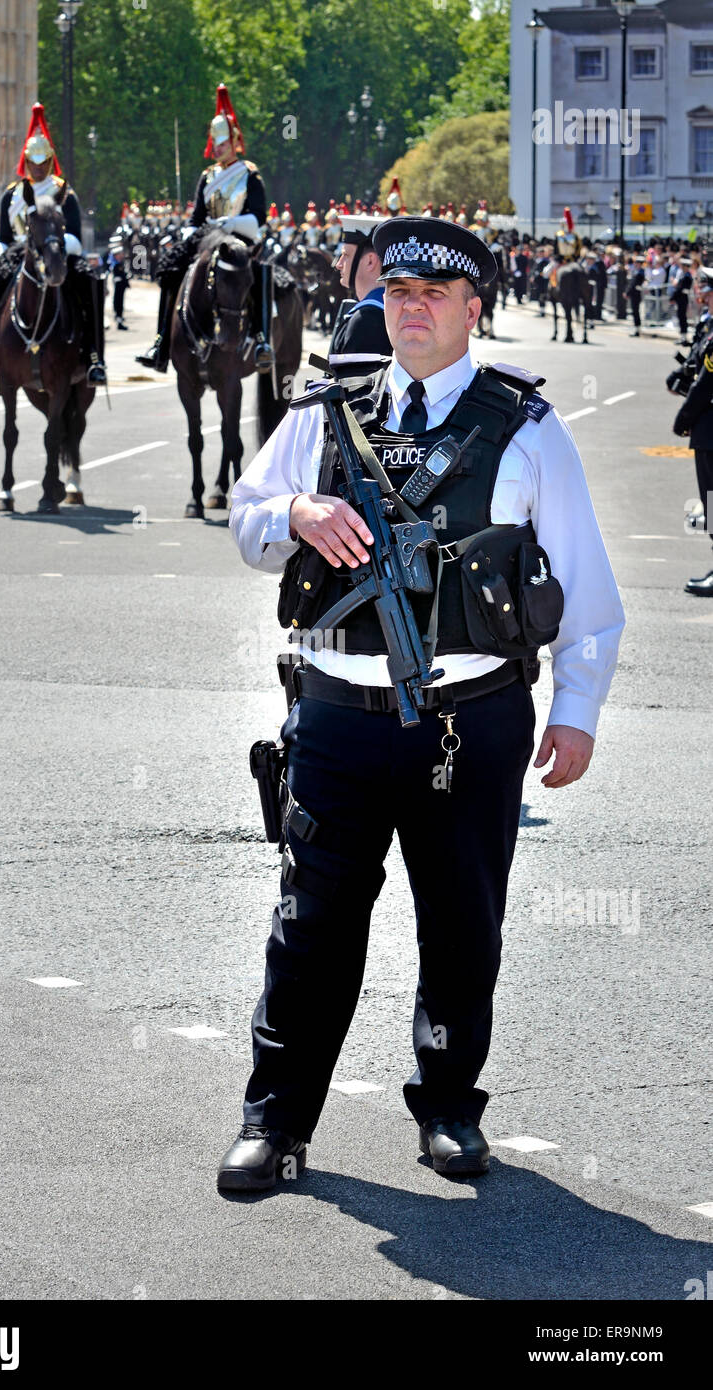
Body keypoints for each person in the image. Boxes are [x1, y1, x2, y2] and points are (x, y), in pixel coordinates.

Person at [222, 216, 626, 1192]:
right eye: (397, 292)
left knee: (459, 924)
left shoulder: (525, 430)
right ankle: (273, 1121)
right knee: (308, 925)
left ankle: (447, 1107)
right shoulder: (325, 410)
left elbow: (585, 589)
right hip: (333, 715)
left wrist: (574, 711)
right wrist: (295, 514)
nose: (412, 309)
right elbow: (245, 518)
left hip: (469, 721)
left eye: (434, 295)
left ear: (471, 309)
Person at [0, 102, 106, 395]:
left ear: (50, 161)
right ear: (26, 162)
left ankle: (95, 358)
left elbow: (75, 234)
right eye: (33, 163)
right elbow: (5, 235)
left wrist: (57, 246)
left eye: (43, 163)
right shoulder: (11, 195)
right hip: (18, 253)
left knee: (92, 284)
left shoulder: (63, 192)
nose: (38, 168)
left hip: (57, 251)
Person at [136, 83, 273, 374]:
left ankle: (261, 338)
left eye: (223, 143)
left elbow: (259, 217)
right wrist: (189, 234)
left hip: (238, 238)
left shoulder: (249, 174)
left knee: (259, 271)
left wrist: (231, 223)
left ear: (235, 140)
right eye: (216, 143)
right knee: (173, 270)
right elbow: (197, 215)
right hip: (207, 237)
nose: (218, 148)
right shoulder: (206, 176)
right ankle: (161, 340)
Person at [673, 267, 713, 596]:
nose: (698, 290)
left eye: (704, 286)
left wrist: (683, 417)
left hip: (710, 428)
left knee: (712, 500)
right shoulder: (708, 325)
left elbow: (706, 385)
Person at [328, 213, 391, 370]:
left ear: (370, 261)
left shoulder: (366, 320)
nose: (339, 264)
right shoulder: (379, 311)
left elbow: (352, 390)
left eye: (346, 255)